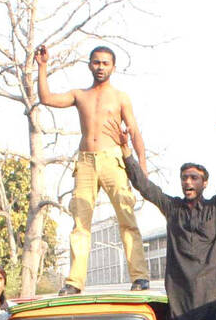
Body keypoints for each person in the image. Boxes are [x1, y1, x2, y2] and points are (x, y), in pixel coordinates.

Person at [115, 110, 216, 320]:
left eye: (194, 178)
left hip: (214, 301)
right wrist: (126, 151)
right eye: (184, 178)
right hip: (182, 304)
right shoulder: (172, 208)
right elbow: (144, 186)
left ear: (204, 183)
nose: (188, 182)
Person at [36, 43, 148, 294]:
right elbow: (47, 98)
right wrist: (42, 67)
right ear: (89, 65)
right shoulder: (80, 95)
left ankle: (139, 276)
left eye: (105, 63)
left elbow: (135, 131)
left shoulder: (120, 97)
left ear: (113, 67)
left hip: (113, 159)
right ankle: (75, 281)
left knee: (126, 217)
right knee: (80, 223)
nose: (100, 67)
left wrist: (141, 167)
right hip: (86, 161)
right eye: (96, 62)